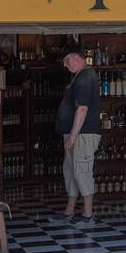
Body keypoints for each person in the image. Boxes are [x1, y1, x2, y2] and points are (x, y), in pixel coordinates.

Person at [55, 42, 101, 225]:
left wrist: (73, 136)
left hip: (83, 134)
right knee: (71, 172)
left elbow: (82, 109)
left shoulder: (85, 77)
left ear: (76, 58)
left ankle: (88, 216)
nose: (65, 65)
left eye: (66, 61)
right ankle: (69, 211)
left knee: (82, 171)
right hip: (75, 134)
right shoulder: (80, 77)